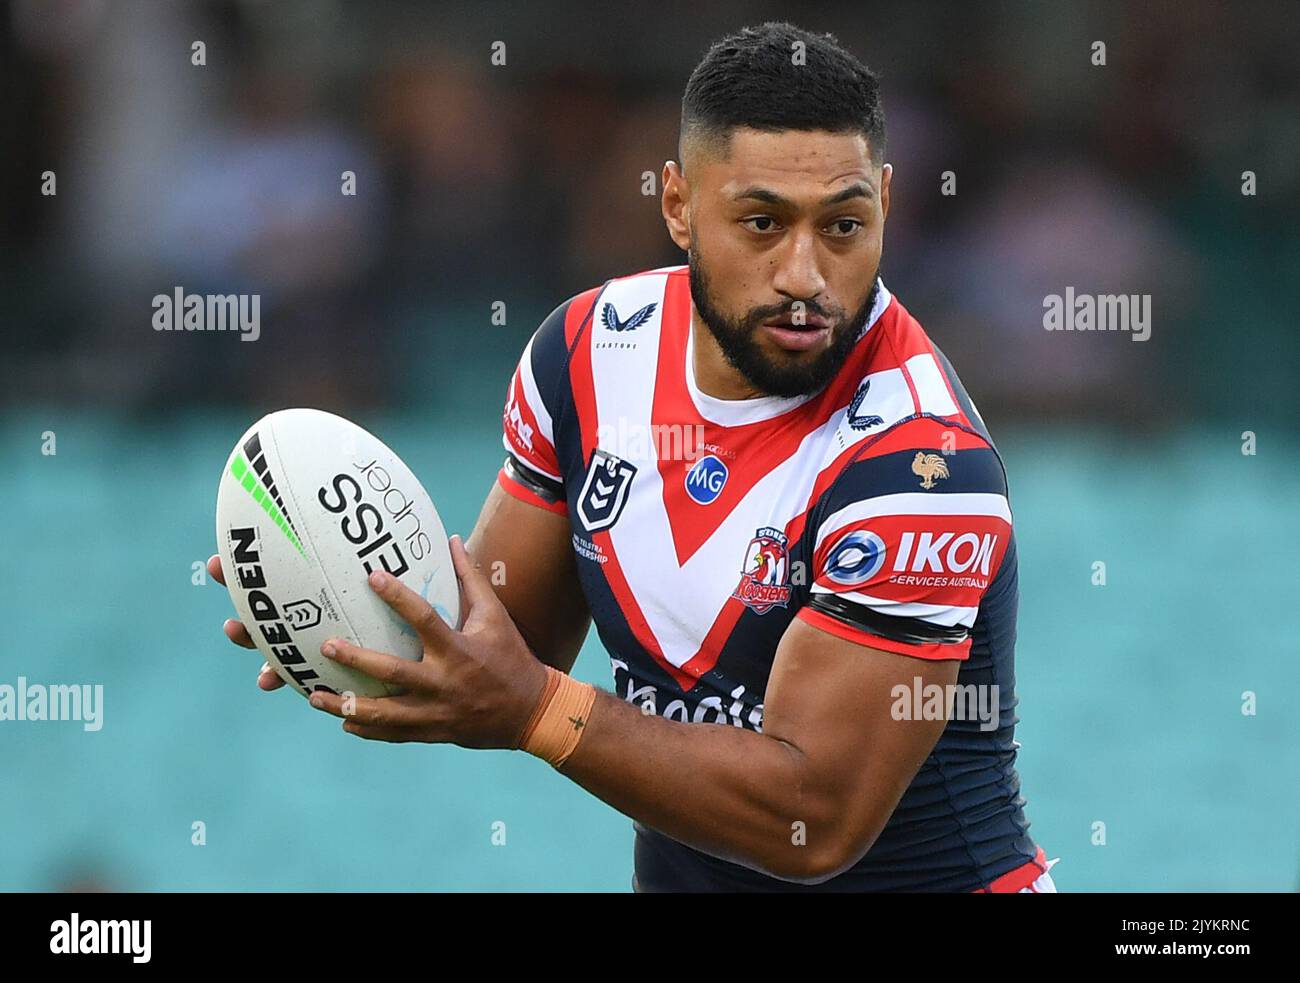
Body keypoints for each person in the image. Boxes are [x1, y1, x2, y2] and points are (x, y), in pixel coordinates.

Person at [209, 21, 1055, 892]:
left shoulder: (920, 465)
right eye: (761, 222)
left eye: (843, 225)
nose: (805, 273)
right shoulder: (584, 354)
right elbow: (501, 642)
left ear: (885, 200)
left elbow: (813, 819)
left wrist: (540, 710)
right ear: (679, 206)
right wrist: (342, 607)